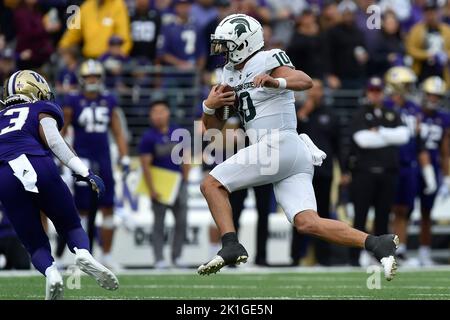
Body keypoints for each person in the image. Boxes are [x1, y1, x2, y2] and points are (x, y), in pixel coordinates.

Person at [198, 13, 399, 281]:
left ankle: (231, 243)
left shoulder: (268, 59)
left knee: (211, 184)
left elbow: (305, 80)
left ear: (244, 42)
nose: (222, 50)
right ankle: (377, 243)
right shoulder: (229, 74)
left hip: (278, 143)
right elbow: (213, 129)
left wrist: (275, 81)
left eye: (227, 44)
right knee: (307, 222)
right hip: (287, 155)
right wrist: (209, 106)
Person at [0, 70, 118, 299]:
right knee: (71, 225)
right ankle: (83, 253)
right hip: (36, 162)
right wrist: (85, 172)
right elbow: (54, 141)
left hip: (3, 174)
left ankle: (51, 272)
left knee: (34, 244)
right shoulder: (38, 108)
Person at [61, 60, 130, 269]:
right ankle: (81, 256)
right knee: (81, 209)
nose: (92, 80)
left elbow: (118, 131)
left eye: (96, 77)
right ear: (82, 79)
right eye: (89, 77)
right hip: (82, 161)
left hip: (104, 159)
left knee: (108, 206)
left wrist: (124, 156)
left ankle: (107, 255)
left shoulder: (108, 100)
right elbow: (60, 133)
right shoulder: (73, 101)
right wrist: (62, 160)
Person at [347, 77, 409, 266]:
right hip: (364, 173)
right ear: (367, 92)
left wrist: (379, 132)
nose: (375, 94)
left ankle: (381, 256)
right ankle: (355, 256)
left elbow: (403, 136)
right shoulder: (359, 114)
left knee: (383, 216)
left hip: (387, 172)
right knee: (360, 215)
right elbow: (362, 140)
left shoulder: (391, 113)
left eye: (378, 90)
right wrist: (388, 137)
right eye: (372, 90)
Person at [384, 66, 437, 263]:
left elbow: (419, 141)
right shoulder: (384, 106)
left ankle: (400, 249)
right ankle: (379, 249)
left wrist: (428, 170)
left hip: (409, 165)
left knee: (404, 210)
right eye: (406, 85)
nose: (409, 88)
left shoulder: (414, 109)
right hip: (389, 164)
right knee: (385, 209)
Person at [292, 79, 342, 266]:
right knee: (298, 214)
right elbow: (291, 133)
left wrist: (344, 171)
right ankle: (296, 256)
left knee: (322, 214)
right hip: (300, 173)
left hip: (324, 172)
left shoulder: (330, 114)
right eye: (312, 89)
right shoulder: (297, 112)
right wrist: (305, 111)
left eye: (318, 89)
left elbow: (338, 146)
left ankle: (323, 257)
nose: (315, 92)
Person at [139, 100, 190, 268]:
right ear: (151, 116)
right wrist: (152, 188)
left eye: (162, 111)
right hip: (160, 185)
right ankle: (159, 258)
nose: (159, 115)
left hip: (178, 184)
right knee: (159, 224)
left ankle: (177, 256)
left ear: (168, 112)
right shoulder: (148, 137)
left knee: (182, 221)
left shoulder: (178, 132)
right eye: (155, 112)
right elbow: (145, 165)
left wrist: (185, 178)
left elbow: (186, 157)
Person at [415, 76, 450, 266]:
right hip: (411, 164)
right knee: (401, 209)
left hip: (433, 166)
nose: (434, 98)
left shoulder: (443, 118)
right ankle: (397, 248)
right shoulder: (414, 112)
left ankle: (424, 252)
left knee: (427, 212)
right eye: (431, 94)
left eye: (437, 95)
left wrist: (447, 177)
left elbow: (445, 151)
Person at [58, 0, 132, 59]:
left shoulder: (118, 5)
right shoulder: (87, 6)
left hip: (109, 59)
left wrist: (120, 56)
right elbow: (73, 32)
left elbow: (124, 37)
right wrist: (63, 46)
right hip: (88, 58)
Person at [406, 0, 450, 83]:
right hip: (422, 69)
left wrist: (445, 55)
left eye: (433, 12)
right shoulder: (416, 29)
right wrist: (427, 55)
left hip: (441, 70)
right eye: (428, 13)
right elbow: (410, 49)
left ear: (438, 13)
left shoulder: (447, 30)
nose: (430, 16)